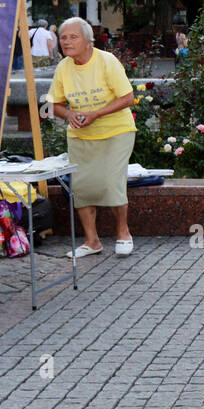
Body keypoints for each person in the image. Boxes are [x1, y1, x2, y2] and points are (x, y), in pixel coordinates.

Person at [50, 17, 137, 258]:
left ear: (88, 41)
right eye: (63, 37)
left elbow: (128, 98)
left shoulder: (107, 61)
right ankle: (92, 241)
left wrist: (96, 114)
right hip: (81, 135)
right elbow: (55, 104)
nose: (66, 42)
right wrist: (69, 113)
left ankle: (123, 232)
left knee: (111, 183)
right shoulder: (63, 67)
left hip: (116, 131)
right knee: (82, 187)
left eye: (73, 37)